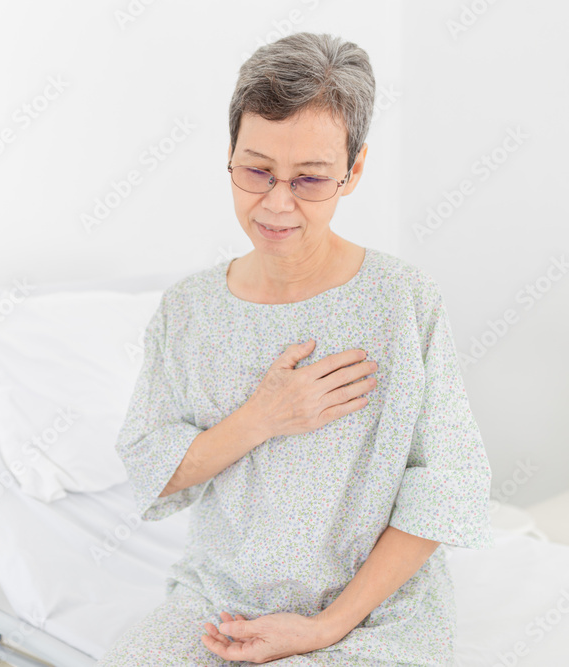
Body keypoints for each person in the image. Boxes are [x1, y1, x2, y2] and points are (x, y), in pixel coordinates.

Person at [96, 32, 493, 666]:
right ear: (229, 153)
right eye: (256, 171)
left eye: (309, 180)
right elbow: (153, 470)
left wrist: (323, 628)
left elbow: (446, 486)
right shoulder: (188, 311)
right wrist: (263, 418)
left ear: (354, 170)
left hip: (373, 614)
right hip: (221, 601)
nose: (277, 204)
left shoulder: (400, 300)